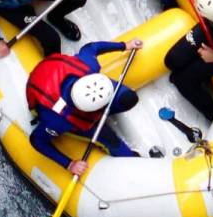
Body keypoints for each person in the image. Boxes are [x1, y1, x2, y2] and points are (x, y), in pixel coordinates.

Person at [25, 39, 145, 175]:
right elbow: (37, 140)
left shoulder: (88, 64)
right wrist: (69, 164)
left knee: (128, 98)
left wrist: (124, 45)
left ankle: (108, 107)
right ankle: (128, 156)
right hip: (48, 97)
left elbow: (92, 47)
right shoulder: (57, 121)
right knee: (108, 138)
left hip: (61, 76)